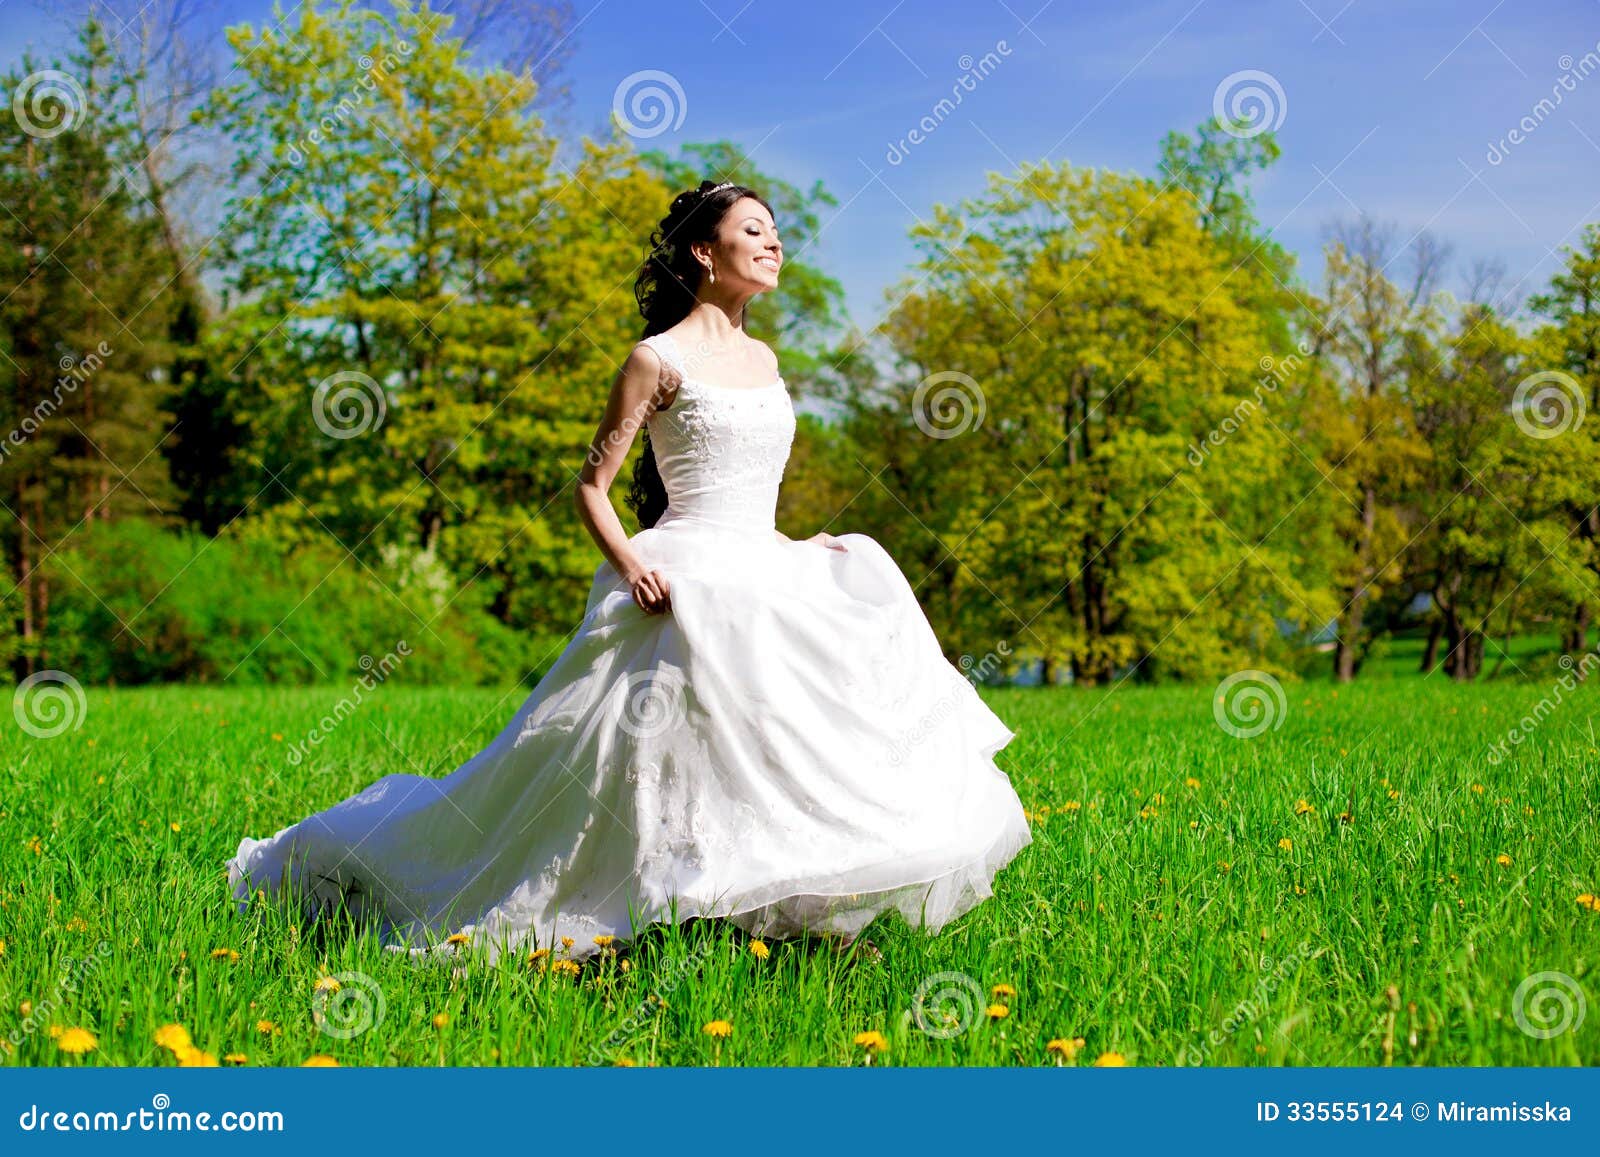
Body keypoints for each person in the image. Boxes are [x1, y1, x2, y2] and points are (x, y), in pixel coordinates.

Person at [226, 179, 1032, 964]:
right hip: (680, 566)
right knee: (649, 751)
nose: (773, 240)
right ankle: (645, 903)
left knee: (837, 636)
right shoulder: (655, 358)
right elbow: (590, 485)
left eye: (774, 228)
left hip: (758, 558)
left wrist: (793, 546)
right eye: (752, 229)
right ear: (703, 251)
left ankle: (783, 909)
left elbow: (750, 486)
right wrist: (633, 564)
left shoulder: (767, 358)